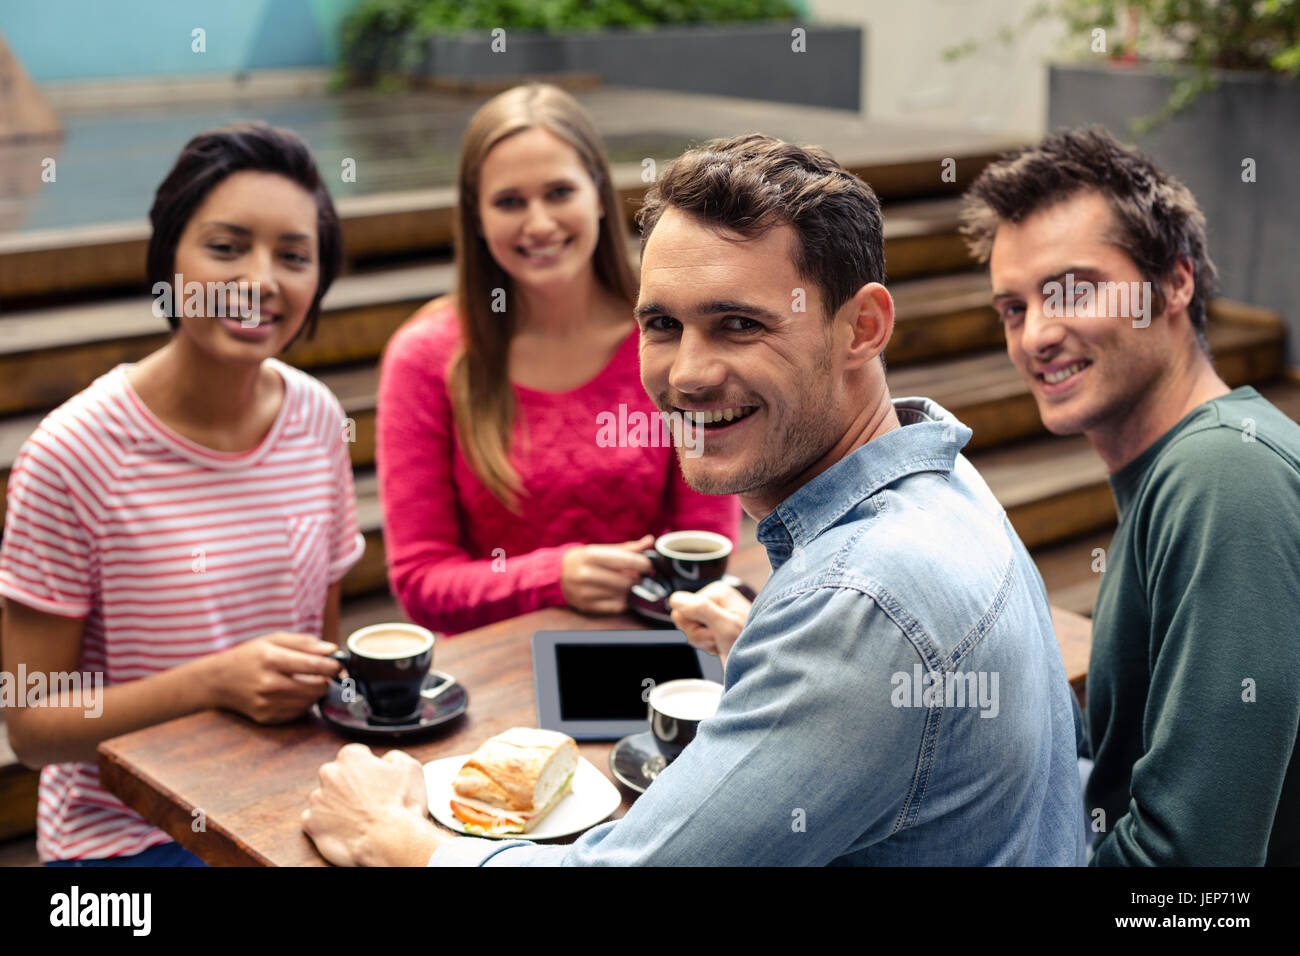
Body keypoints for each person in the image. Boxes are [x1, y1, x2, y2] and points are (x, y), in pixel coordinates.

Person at [302, 134, 1087, 866]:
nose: (686, 374)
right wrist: (776, 653)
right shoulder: (941, 473)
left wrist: (392, 839)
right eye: (663, 325)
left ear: (863, 327)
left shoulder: (861, 604)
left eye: (739, 324)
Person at [0, 122, 363, 865]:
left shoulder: (318, 418)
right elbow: (32, 726)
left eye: (293, 256)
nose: (261, 281)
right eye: (226, 248)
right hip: (127, 836)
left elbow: (318, 649)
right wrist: (213, 683)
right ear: (169, 259)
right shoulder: (72, 454)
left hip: (283, 803)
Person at [960, 126, 1300, 865]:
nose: (1036, 335)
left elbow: (1189, 876)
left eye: (1071, 290)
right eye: (1012, 309)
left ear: (1175, 282)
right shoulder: (1185, 467)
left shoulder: (1222, 474)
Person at [377, 84, 739, 635]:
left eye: (558, 192)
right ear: (476, 216)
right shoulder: (426, 357)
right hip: (500, 667)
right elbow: (422, 582)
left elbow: (706, 535)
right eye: (509, 202)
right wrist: (554, 576)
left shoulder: (669, 336)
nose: (539, 222)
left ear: (597, 194)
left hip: (651, 647)